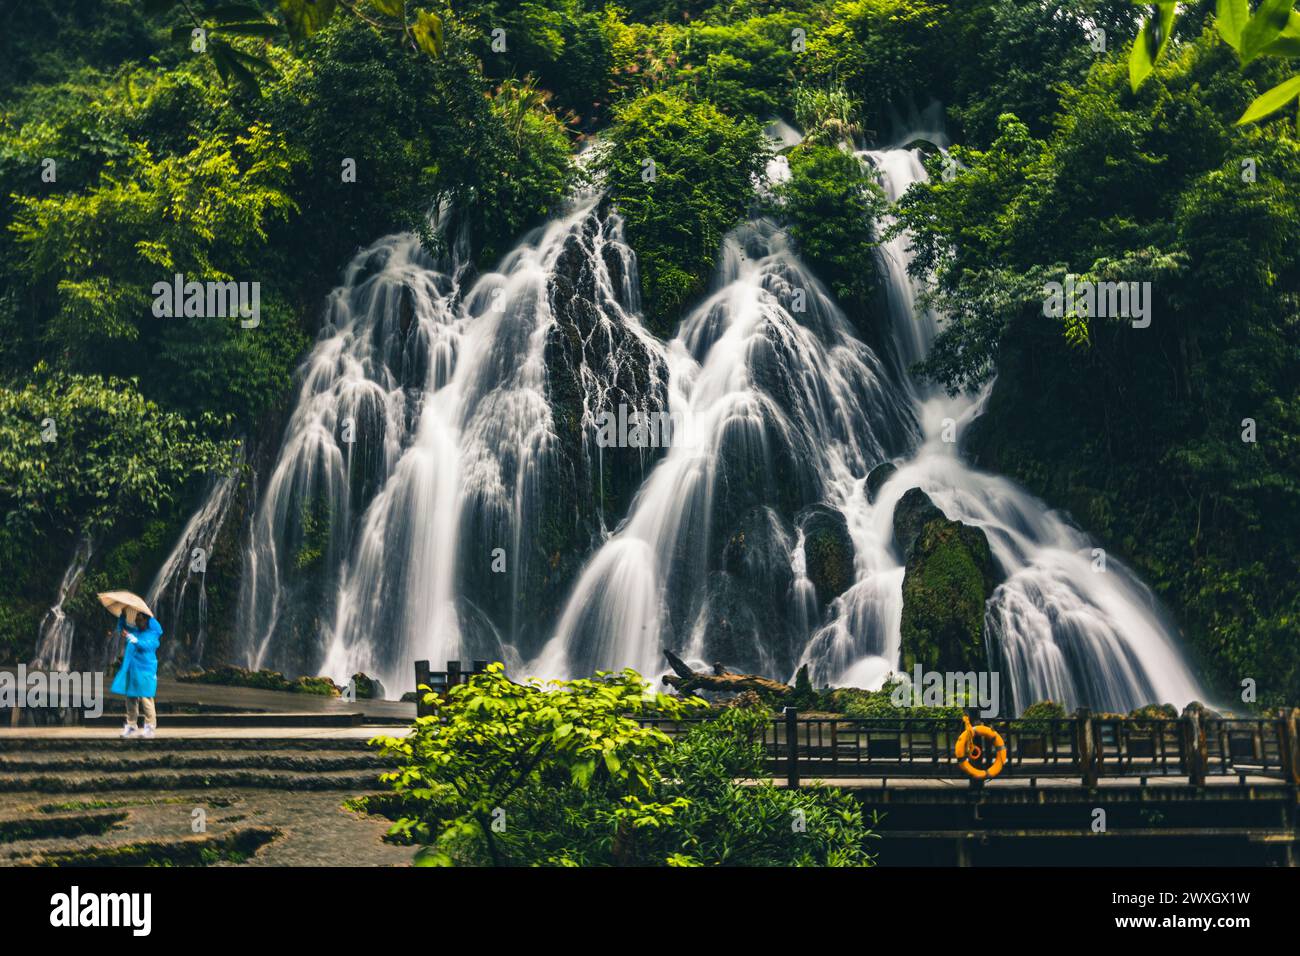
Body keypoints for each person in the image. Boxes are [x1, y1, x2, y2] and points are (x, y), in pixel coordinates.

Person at [111, 609, 162, 738]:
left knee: (146, 698)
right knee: (130, 697)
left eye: (139, 620)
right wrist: (122, 615)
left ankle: (150, 727)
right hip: (133, 669)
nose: (137, 622)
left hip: (146, 670)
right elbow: (122, 628)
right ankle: (131, 725)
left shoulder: (153, 634)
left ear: (146, 620)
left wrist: (135, 640)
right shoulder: (136, 632)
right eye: (136, 620)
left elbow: (148, 646)